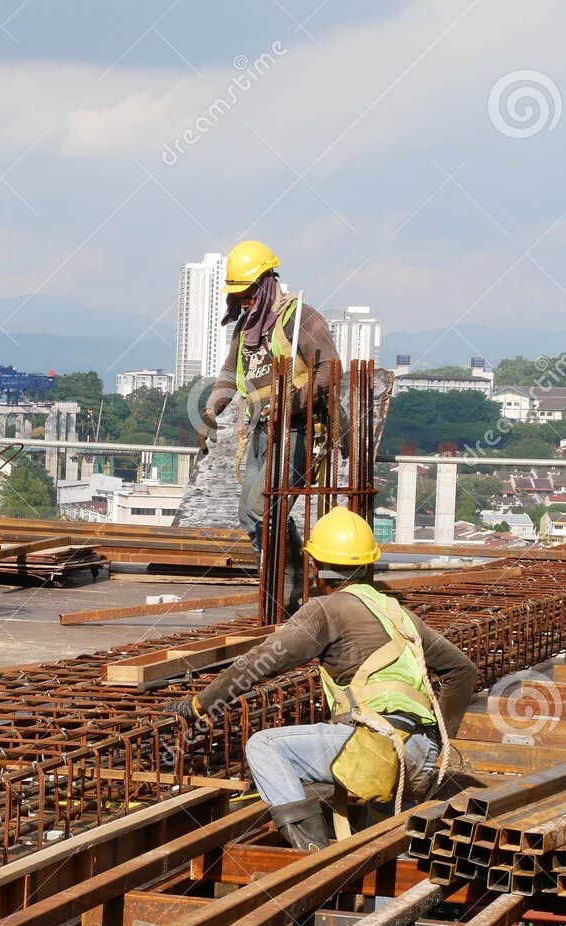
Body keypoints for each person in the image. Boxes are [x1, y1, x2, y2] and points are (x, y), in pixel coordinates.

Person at [167, 506, 480, 851]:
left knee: (264, 746)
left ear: (315, 568)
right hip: (421, 753)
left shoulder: (325, 609)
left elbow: (260, 663)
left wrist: (201, 705)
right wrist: (440, 741)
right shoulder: (397, 613)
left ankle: (313, 855)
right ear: (368, 565)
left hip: (378, 749)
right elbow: (462, 671)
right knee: (376, 849)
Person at [198, 240, 343, 614]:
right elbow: (230, 376)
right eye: (237, 294)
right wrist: (212, 409)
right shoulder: (246, 329)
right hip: (262, 432)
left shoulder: (300, 318)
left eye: (247, 293)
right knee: (250, 514)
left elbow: (330, 368)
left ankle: (287, 589)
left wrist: (293, 401)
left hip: (298, 430)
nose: (243, 301)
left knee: (265, 510)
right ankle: (287, 577)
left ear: (263, 284)